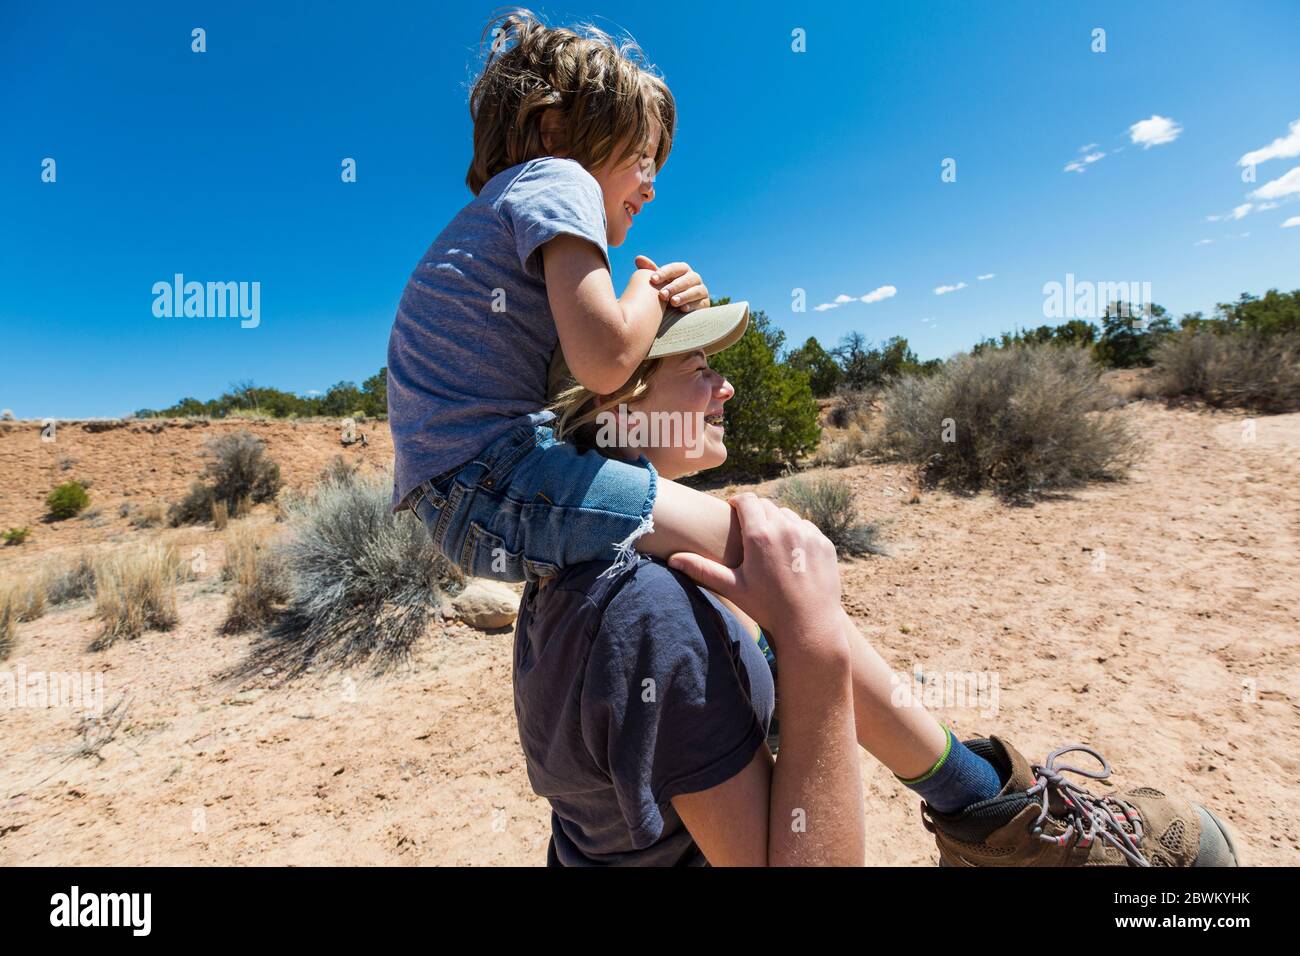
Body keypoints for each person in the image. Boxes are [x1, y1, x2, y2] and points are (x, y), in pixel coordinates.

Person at [508, 322, 1243, 867]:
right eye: (700, 368)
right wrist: (813, 642)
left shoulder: (580, 575)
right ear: (622, 405)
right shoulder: (646, 607)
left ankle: (994, 808)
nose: (725, 386)